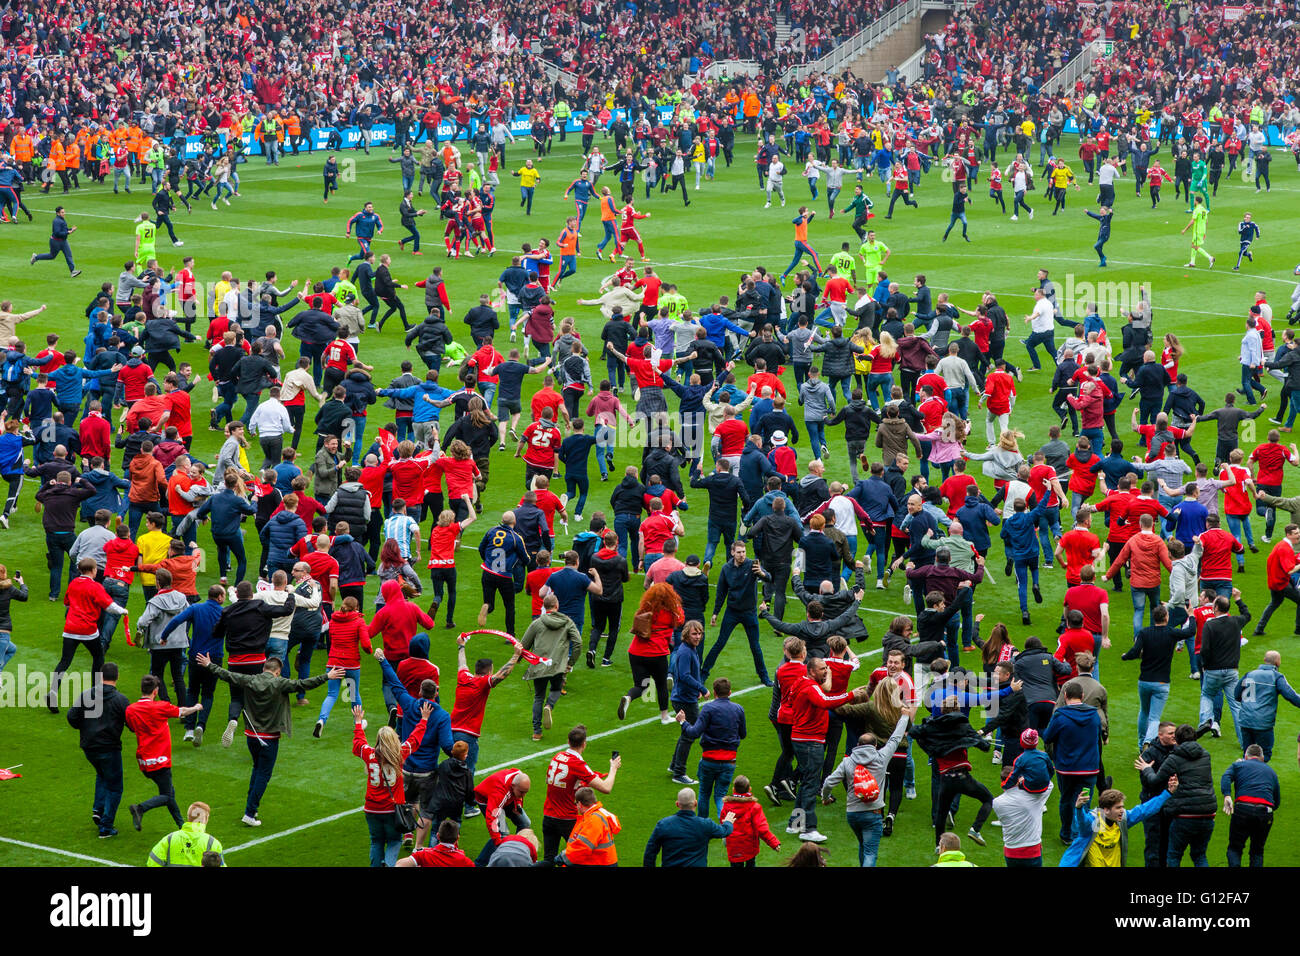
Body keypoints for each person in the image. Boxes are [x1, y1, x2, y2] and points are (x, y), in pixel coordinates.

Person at [197, 651, 338, 826]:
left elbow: (227, 675)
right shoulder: (280, 683)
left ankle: (251, 809)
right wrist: (327, 676)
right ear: (278, 671)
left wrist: (209, 665)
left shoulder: (250, 680)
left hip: (251, 735)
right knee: (264, 774)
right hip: (269, 738)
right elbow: (304, 684)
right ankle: (249, 812)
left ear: (264, 668)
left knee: (257, 770)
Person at [821, 703, 914, 866]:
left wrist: (825, 797)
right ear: (876, 745)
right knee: (871, 853)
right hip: (873, 814)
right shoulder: (881, 758)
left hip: (853, 815)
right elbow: (896, 738)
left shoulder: (847, 761)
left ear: (857, 745)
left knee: (863, 846)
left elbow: (829, 781)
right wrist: (905, 716)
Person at [352, 700, 431, 867]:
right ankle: (388, 864)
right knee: (394, 841)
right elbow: (414, 740)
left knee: (376, 842)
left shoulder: (369, 753)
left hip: (371, 808)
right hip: (391, 809)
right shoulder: (399, 754)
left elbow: (358, 743)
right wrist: (423, 720)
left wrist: (358, 723)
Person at [124, 674, 203, 832]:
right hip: (160, 760)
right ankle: (140, 808)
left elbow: (132, 727)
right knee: (167, 796)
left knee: (169, 793)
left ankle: (181, 826)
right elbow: (182, 711)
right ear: (156, 691)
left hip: (144, 760)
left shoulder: (131, 709)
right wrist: (196, 707)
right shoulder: (161, 706)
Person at [67, 660, 131, 838]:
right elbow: (132, 724)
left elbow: (72, 717)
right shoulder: (121, 700)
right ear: (117, 677)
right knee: (115, 787)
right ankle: (106, 826)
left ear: (101, 676)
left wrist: (85, 728)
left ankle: (98, 809)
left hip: (89, 747)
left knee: (102, 774)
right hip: (109, 748)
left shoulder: (86, 694)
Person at [540, 723, 620, 863]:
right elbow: (606, 788)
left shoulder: (557, 757)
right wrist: (613, 768)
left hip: (548, 815)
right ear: (584, 744)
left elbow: (556, 782)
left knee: (548, 860)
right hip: (567, 819)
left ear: (568, 741)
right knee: (578, 858)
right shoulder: (577, 764)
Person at [1139, 722, 1216, 867]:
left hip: (1179, 810)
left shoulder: (1175, 756)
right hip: (1202, 810)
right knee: (1197, 855)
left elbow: (1154, 780)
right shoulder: (1205, 755)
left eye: (1175, 734)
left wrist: (1146, 769)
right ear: (1159, 735)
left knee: (1173, 854)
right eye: (1170, 733)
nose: (1173, 736)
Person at [1059, 780, 1177, 867]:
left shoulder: (1123, 819)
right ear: (1106, 810)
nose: (1122, 810)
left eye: (1122, 807)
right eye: (1118, 807)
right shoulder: (1094, 823)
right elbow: (1082, 822)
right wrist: (1079, 808)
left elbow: (1145, 810)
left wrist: (1168, 792)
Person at [511, 594, 578, 741]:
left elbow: (524, 643)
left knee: (538, 697)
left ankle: (537, 732)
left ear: (544, 606)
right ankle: (550, 706)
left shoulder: (537, 623)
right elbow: (578, 642)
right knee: (556, 689)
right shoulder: (567, 622)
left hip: (539, 665)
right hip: (557, 666)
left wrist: (518, 659)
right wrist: (570, 663)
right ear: (557, 606)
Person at [1221, 744, 1281, 867]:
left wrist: (1227, 795)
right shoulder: (1271, 772)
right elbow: (1277, 801)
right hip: (1265, 812)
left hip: (1242, 809)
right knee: (1257, 851)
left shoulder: (1238, 765)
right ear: (1262, 758)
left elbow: (1226, 776)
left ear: (1246, 756)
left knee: (1235, 849)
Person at [1233, 650, 1300, 760]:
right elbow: (1290, 696)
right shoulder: (1276, 677)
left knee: (1247, 753)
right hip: (1263, 723)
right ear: (1278, 663)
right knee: (1265, 755)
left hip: (1245, 720)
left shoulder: (1249, 674)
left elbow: (1236, 694)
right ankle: (1258, 774)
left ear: (1264, 660)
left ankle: (1245, 772)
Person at [643, 788, 735, 867]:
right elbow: (724, 831)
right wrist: (728, 822)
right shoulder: (705, 824)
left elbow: (650, 853)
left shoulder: (663, 824)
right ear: (695, 803)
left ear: (677, 804)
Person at [556, 787, 621, 867]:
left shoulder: (593, 819)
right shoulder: (598, 814)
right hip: (603, 861)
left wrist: (563, 857)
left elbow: (583, 846)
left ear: (579, 804)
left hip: (599, 862)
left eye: (575, 804)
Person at [145, 801, 224, 867]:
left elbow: (152, 863)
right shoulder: (213, 843)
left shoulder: (169, 839)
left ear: (188, 817)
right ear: (206, 818)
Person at [395, 819, 476, 867]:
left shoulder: (423, 855)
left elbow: (400, 865)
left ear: (438, 836)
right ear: (457, 838)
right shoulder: (465, 861)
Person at [30, 205, 81, 277]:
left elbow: (63, 230)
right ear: (58, 213)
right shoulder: (57, 221)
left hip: (63, 241)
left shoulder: (61, 219)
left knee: (68, 255)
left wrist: (70, 230)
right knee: (51, 256)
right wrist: (68, 232)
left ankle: (73, 271)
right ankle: (36, 257)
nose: (64, 213)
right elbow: (57, 233)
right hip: (56, 242)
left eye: (64, 212)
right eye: (62, 212)